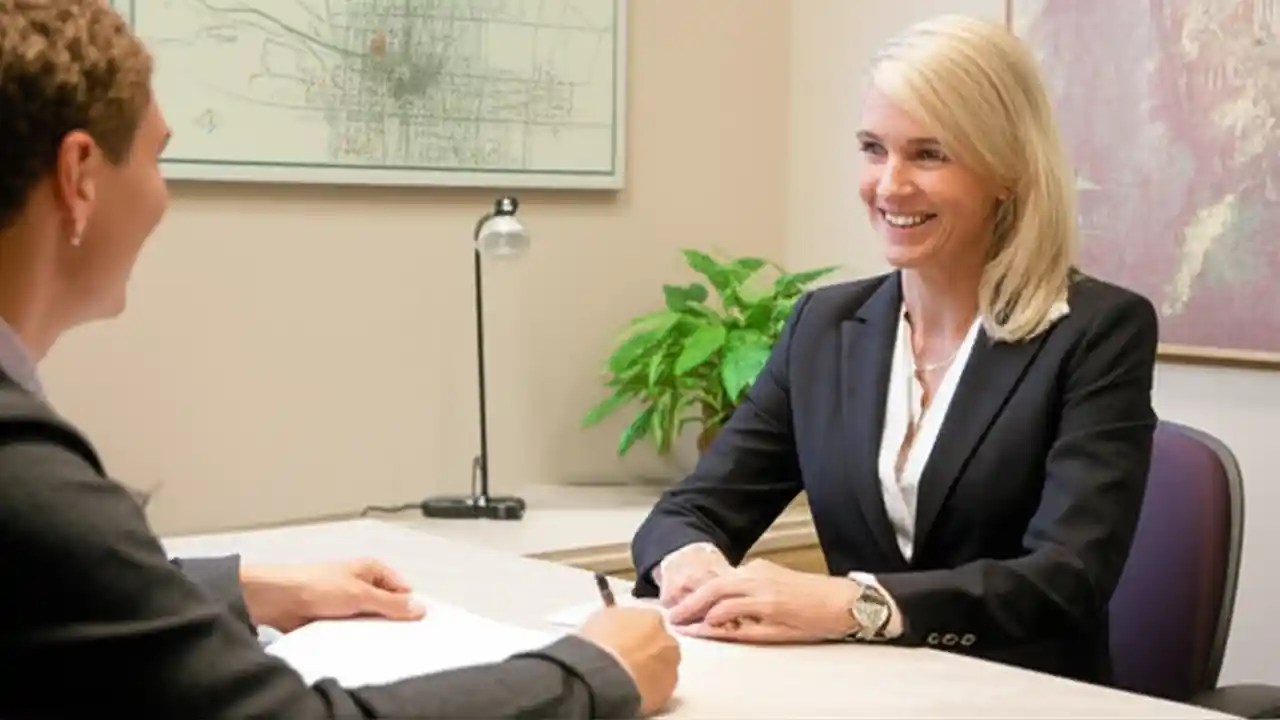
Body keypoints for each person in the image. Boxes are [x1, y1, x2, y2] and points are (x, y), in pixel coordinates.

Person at [0, 1, 679, 717]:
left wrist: (243, 590)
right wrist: (591, 672)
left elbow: (46, 588)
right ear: (79, 176)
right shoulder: (25, 470)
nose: (164, 196)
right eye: (157, 155)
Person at [631, 14, 1158, 686]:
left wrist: (858, 604)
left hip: (1022, 696)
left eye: (929, 154)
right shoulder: (824, 326)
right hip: (861, 692)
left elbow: (1067, 578)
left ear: (1008, 171)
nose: (889, 185)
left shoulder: (1096, 331)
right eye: (874, 149)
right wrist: (691, 563)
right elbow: (686, 512)